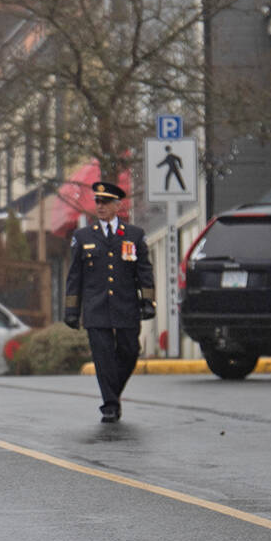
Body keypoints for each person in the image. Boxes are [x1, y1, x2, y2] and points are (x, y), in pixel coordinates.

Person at [63, 181, 156, 423]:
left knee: (130, 352)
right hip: (96, 308)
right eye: (98, 201)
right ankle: (110, 405)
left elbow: (144, 271)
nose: (101, 206)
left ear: (118, 205)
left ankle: (112, 393)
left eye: (106, 202)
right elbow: (75, 276)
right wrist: (72, 310)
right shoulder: (83, 236)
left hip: (127, 306)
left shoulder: (134, 235)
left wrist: (148, 302)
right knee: (103, 357)